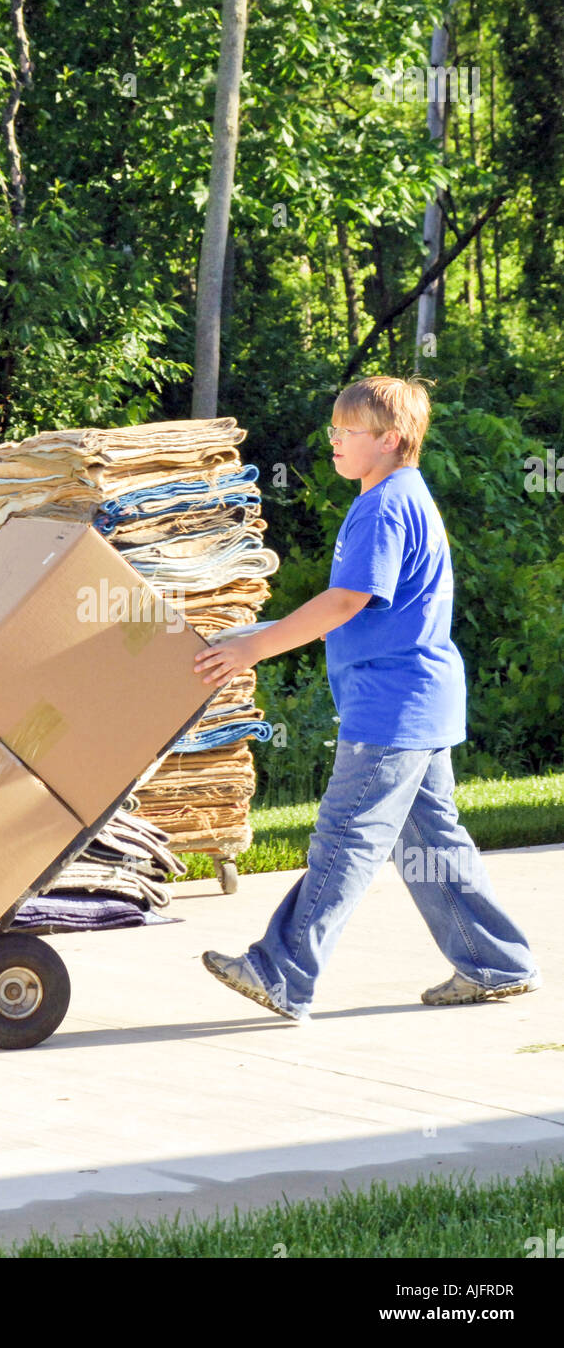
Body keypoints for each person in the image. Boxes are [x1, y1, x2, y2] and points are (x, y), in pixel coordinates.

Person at [192, 375, 540, 1023]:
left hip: (393, 707)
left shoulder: (382, 506)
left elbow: (348, 601)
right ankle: (497, 963)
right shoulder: (402, 496)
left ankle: (281, 972)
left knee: (345, 838)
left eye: (346, 432)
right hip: (418, 700)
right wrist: (249, 634)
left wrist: (255, 649)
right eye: (334, 429)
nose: (334, 442)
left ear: (389, 439)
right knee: (429, 843)